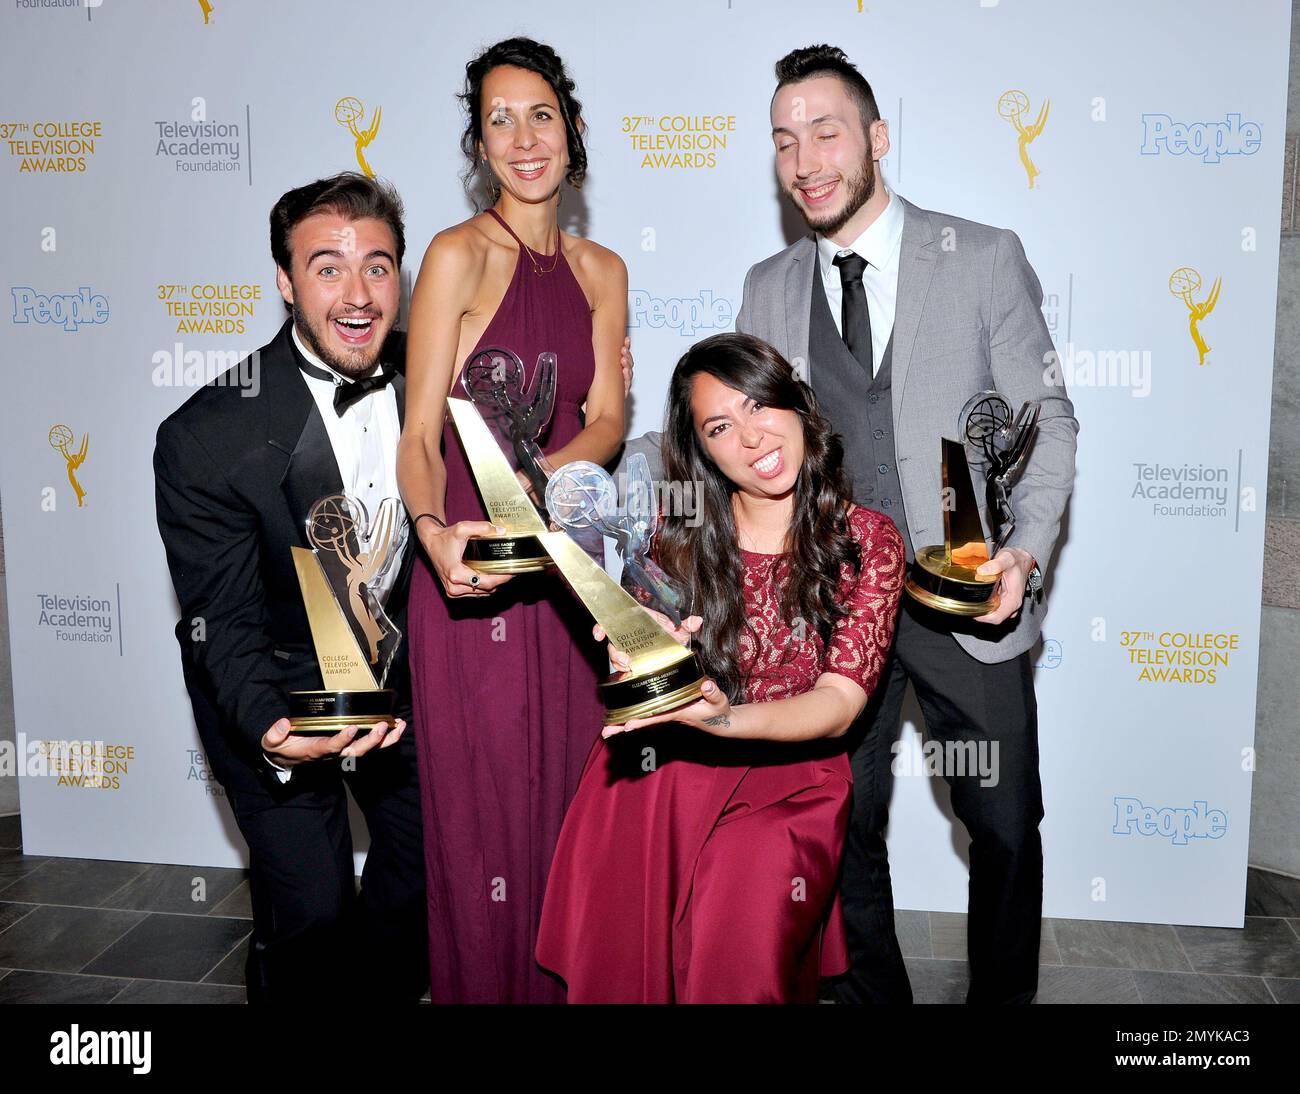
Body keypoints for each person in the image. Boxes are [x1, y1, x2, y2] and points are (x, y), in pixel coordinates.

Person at [737, 45, 1079, 1004]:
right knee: (841, 828)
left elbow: (1049, 419)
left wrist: (1024, 550)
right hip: (832, 602)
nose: (805, 160)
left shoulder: (980, 257)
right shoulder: (767, 287)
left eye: (827, 132)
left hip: (965, 595)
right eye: (784, 141)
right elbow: (748, 455)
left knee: (1008, 827)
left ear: (878, 139)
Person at [536, 333, 905, 1003]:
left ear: (798, 405)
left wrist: (724, 717)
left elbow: (840, 704)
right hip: (664, 770)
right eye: (719, 427)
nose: (752, 437)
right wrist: (640, 652)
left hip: (793, 781)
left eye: (759, 404)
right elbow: (650, 654)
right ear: (702, 450)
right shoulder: (676, 532)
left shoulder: (868, 541)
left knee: (739, 949)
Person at [154, 172, 427, 1004]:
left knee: (427, 879)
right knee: (309, 909)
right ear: (284, 281)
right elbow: (220, 619)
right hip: (275, 686)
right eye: (327, 267)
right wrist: (272, 727)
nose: (357, 293)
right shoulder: (208, 436)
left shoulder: (438, 382)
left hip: (404, 685)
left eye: (378, 267)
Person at [396, 37, 627, 1003]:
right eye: (499, 118)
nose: (522, 138)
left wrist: (536, 475)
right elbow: (416, 435)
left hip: (563, 580)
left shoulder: (603, 268)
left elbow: (608, 419)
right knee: (483, 823)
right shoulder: (454, 256)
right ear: (477, 140)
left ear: (570, 129)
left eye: (540, 115)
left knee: (570, 811)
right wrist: (430, 528)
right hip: (472, 572)